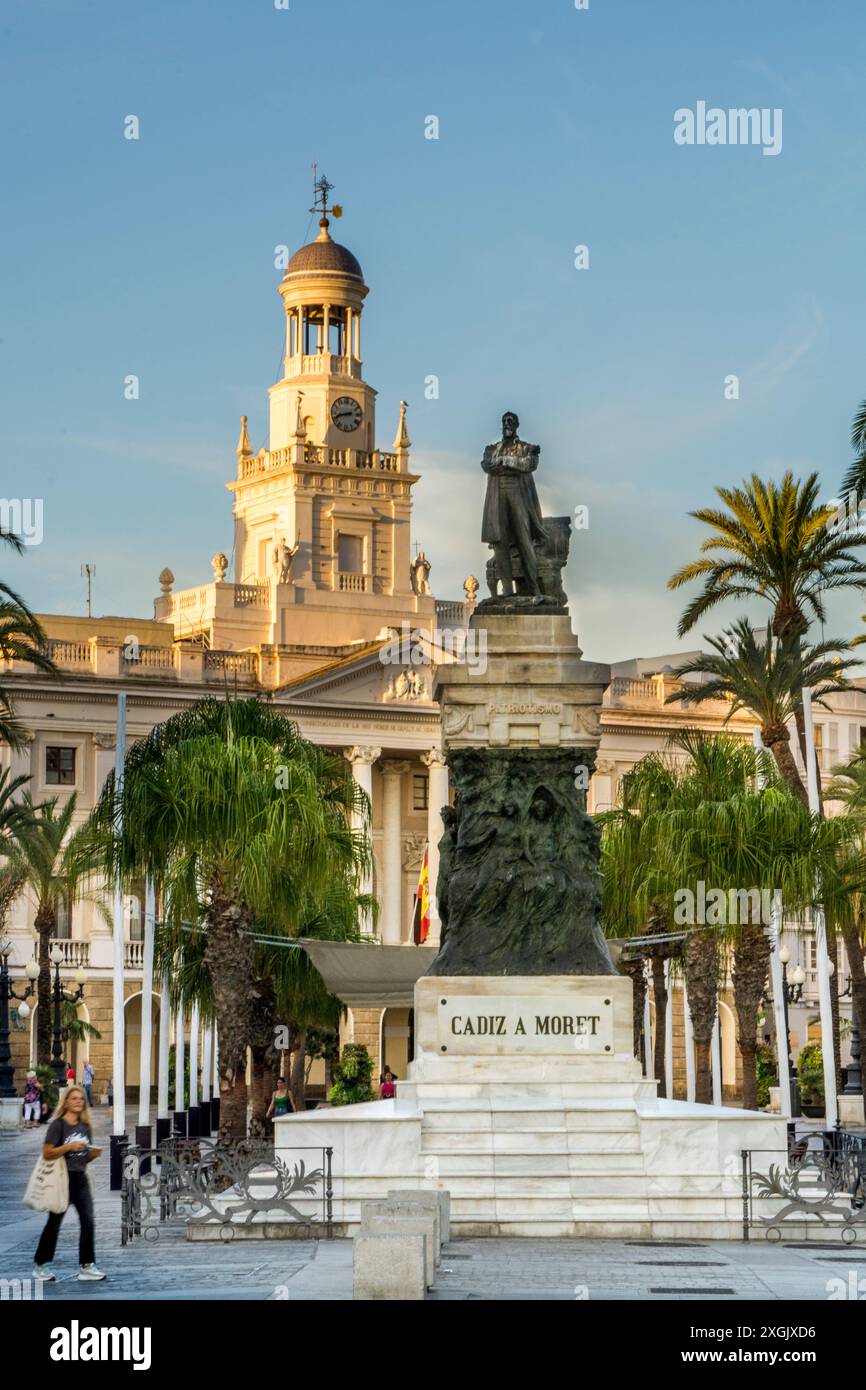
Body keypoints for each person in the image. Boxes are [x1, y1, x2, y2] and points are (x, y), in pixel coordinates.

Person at [33, 1085, 106, 1282]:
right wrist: (69, 1146)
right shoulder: (58, 1125)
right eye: (74, 1098)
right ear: (66, 1102)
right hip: (61, 1179)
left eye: (81, 1099)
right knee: (54, 1223)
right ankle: (41, 1265)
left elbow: (82, 1158)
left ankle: (87, 1266)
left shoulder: (85, 1127)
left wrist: (92, 1154)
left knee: (88, 1220)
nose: (78, 1102)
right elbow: (47, 1153)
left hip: (80, 1179)